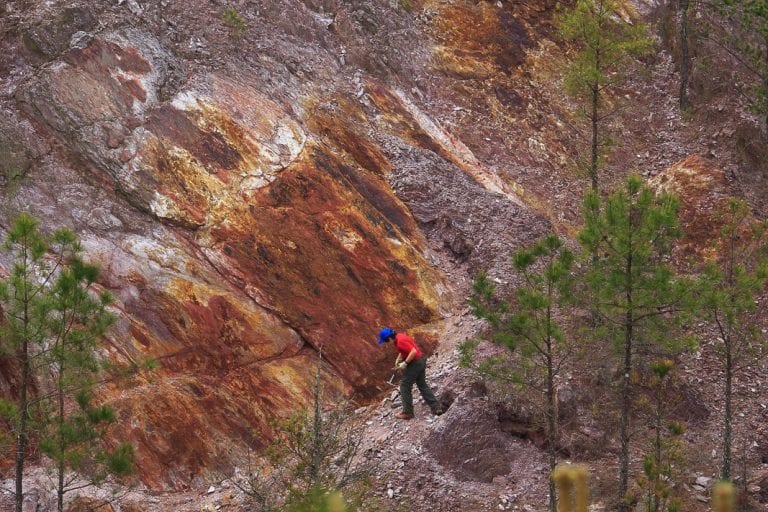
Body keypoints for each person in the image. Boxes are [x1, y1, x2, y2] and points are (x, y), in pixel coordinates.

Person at [377, 327, 443, 420]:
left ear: (388, 339)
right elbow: (405, 350)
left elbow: (413, 351)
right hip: (421, 360)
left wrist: (405, 363)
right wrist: (398, 359)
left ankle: (408, 412)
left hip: (415, 363)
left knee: (404, 385)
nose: (386, 343)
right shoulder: (400, 336)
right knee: (422, 385)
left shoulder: (400, 342)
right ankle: (436, 408)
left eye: (386, 341)